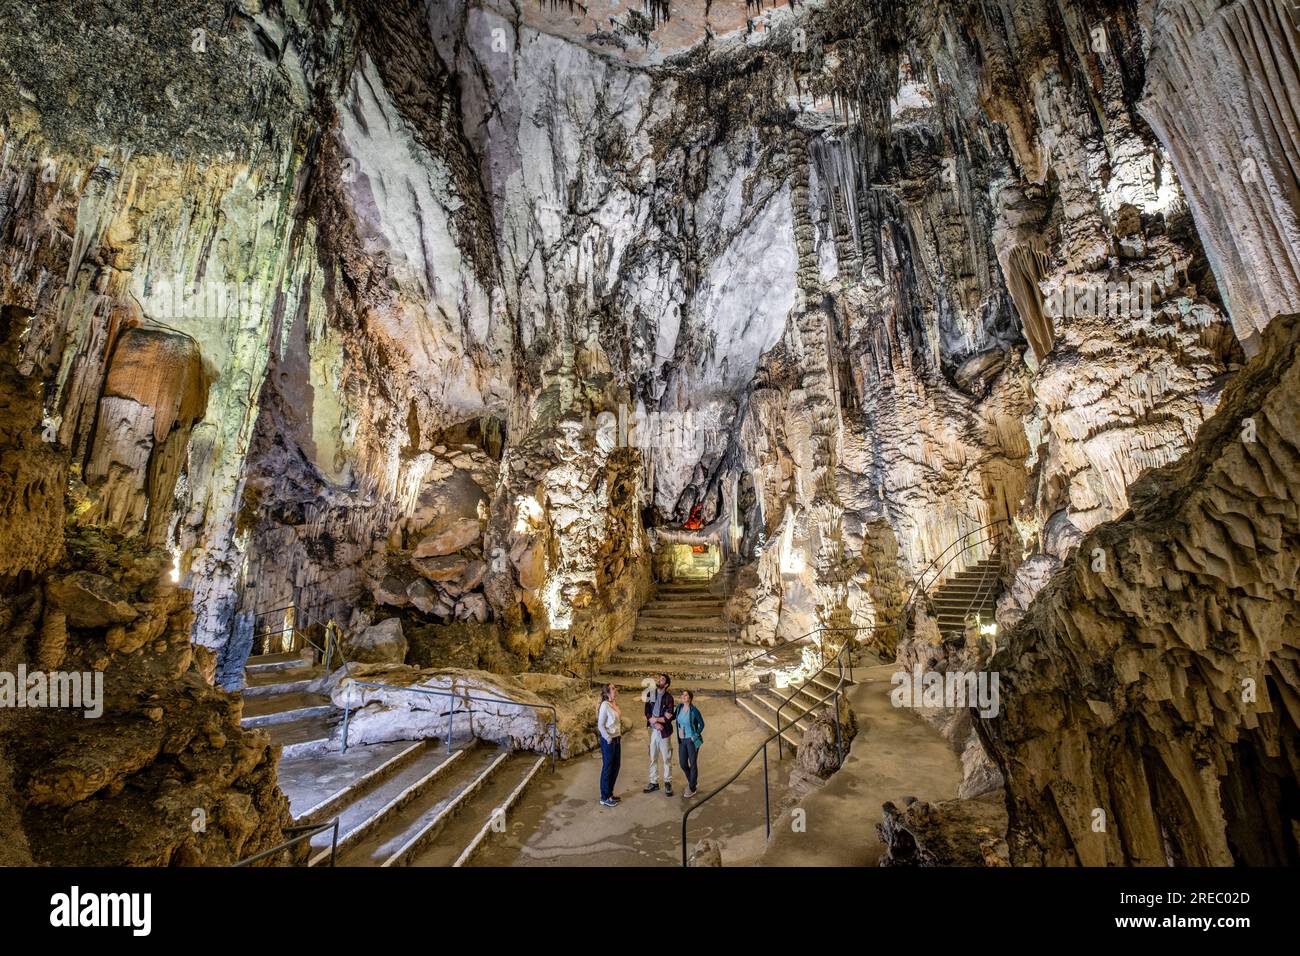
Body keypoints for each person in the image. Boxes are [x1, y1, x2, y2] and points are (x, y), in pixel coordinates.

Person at [643, 673, 675, 796]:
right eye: (659, 679)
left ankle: (667, 782)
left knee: (666, 758)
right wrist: (655, 723)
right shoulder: (651, 694)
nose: (659, 680)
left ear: (666, 684)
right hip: (653, 730)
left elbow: (668, 716)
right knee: (652, 757)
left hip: (664, 731)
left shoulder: (669, 698)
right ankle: (654, 782)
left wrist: (655, 720)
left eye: (662, 680)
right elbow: (647, 711)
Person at [673, 689, 705, 798]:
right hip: (682, 740)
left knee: (693, 764)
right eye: (682, 694)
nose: (683, 696)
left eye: (686, 695)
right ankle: (693, 781)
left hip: (692, 741)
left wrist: (694, 736)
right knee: (683, 764)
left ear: (690, 698)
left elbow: (702, 724)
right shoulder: (679, 708)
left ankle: (692, 788)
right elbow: (672, 718)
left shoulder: (694, 710)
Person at [597, 683, 622, 807]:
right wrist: (608, 738)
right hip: (609, 741)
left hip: (617, 739)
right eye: (612, 688)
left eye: (614, 688)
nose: (615, 690)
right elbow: (600, 725)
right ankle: (604, 796)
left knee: (616, 766)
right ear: (607, 692)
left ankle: (610, 794)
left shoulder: (614, 704)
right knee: (607, 768)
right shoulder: (605, 705)